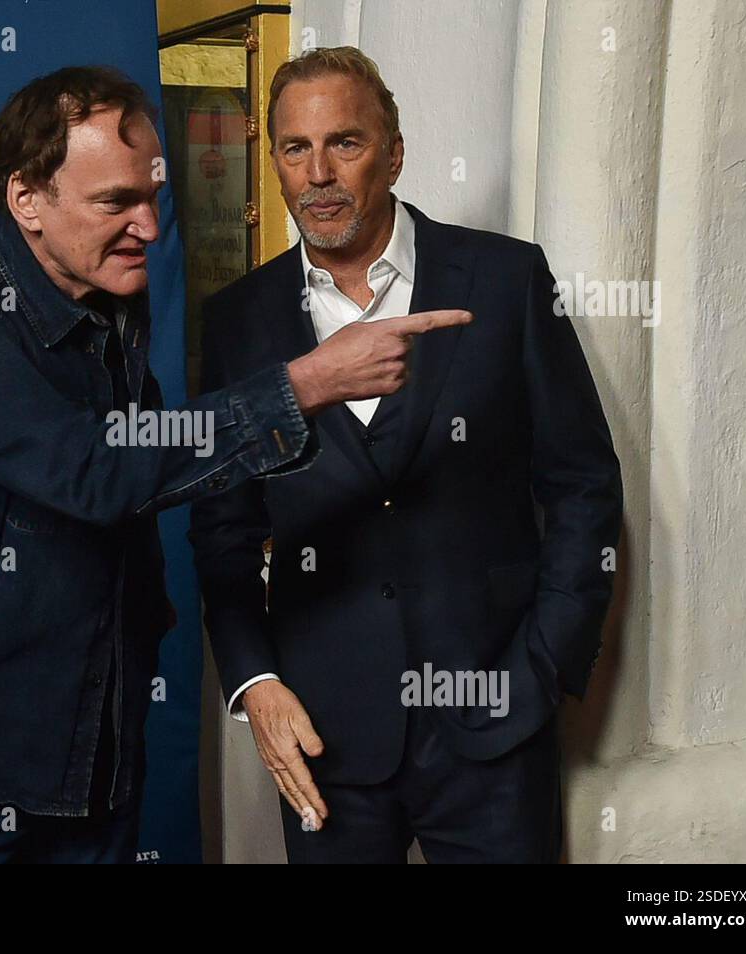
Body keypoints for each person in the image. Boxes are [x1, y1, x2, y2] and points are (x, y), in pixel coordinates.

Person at [0, 64, 470, 863]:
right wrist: (303, 384)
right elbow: (94, 471)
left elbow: (158, 461)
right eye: (115, 204)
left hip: (94, 746)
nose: (150, 228)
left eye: (151, 196)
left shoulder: (104, 289)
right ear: (28, 199)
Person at [190, 47, 622, 863]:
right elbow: (223, 529)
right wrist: (257, 682)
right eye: (294, 148)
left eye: (344, 144)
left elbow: (583, 483)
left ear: (393, 153)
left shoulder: (504, 279)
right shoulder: (240, 319)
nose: (317, 173)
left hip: (496, 720)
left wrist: (547, 662)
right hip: (323, 733)